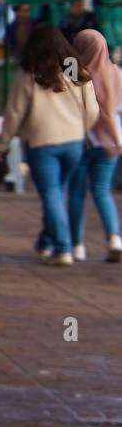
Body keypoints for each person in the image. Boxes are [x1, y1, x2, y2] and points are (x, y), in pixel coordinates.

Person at [0, 23, 99, 266]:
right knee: (56, 193)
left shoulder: (29, 75)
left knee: (51, 194)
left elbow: (14, 113)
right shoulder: (74, 70)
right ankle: (46, 242)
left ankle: (63, 247)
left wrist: (2, 144)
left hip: (41, 143)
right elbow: (92, 109)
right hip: (74, 142)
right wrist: (80, 127)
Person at [67, 29, 122, 262]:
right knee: (102, 190)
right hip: (110, 140)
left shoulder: (73, 71)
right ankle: (114, 238)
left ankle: (77, 246)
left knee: (76, 193)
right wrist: (116, 138)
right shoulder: (117, 72)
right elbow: (114, 110)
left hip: (77, 138)